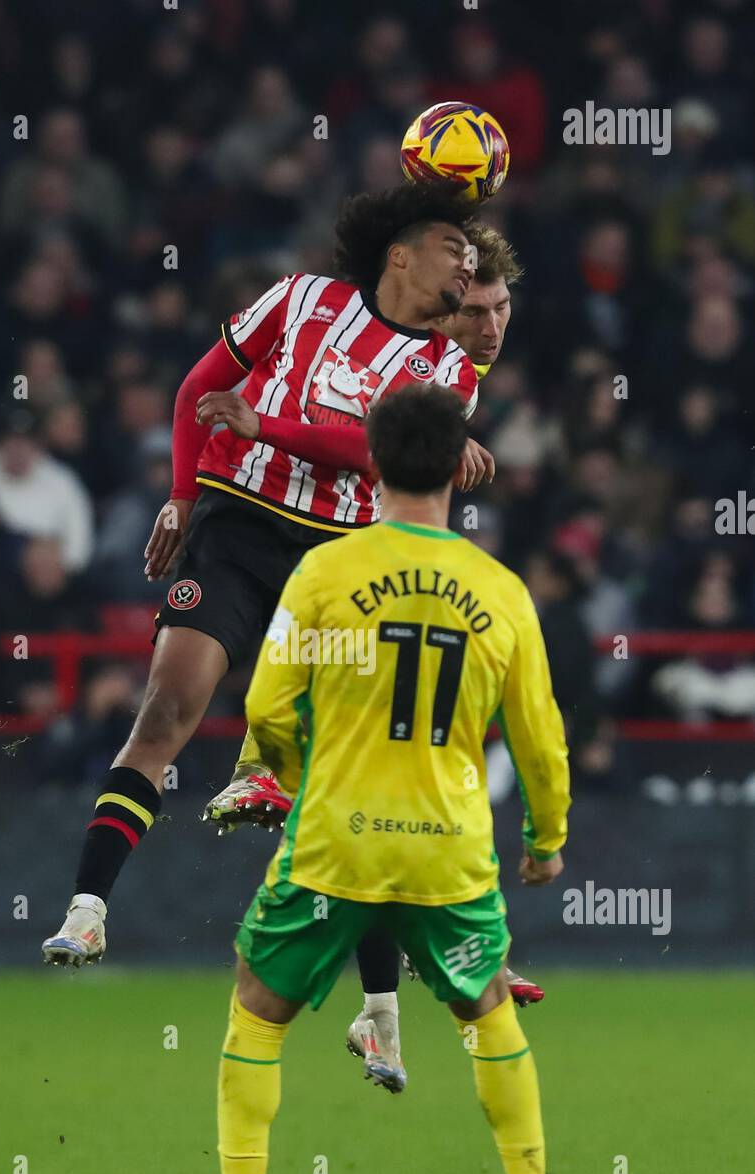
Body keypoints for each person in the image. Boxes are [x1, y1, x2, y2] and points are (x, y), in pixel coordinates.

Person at [166, 383, 583, 1174]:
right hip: (450, 851)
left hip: (335, 844)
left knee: (257, 1009)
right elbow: (541, 735)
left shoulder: (326, 573)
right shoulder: (500, 591)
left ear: (374, 463)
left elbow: (270, 704)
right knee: (489, 1014)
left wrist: (283, 778)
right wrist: (545, 841)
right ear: (457, 470)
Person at [41, 182, 493, 966]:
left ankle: (377, 1001)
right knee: (168, 708)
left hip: (341, 557)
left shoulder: (449, 367)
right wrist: (182, 499)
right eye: (454, 247)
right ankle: (86, 909)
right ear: (401, 254)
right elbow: (195, 390)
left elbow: (376, 453)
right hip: (239, 526)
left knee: (356, 770)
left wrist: (267, 425)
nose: (467, 264)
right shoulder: (301, 298)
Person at [207, 222, 541, 1091]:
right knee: (370, 798)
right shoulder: (403, 347)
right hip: (362, 577)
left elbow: (391, 429)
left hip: (402, 587)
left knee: (381, 799)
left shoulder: (448, 372)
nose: (492, 324)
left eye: (503, 308)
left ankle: (390, 1008)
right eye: (477, 306)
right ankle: (395, 1006)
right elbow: (367, 435)